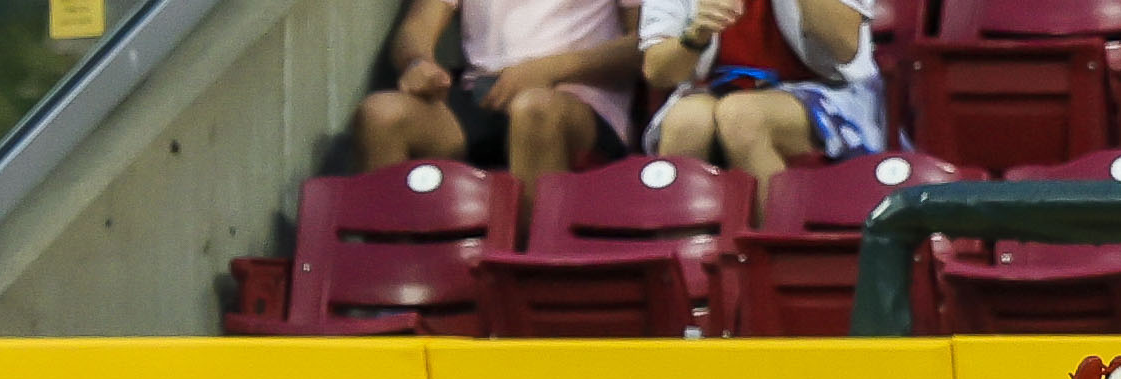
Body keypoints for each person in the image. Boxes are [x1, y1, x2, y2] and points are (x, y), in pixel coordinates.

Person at [353, 0, 641, 188]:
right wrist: (418, 63)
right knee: (381, 115)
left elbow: (644, 45)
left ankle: (529, 269)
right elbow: (417, 27)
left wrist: (549, 70)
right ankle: (394, 271)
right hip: (483, 96)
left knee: (533, 110)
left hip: (579, 102)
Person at [638, 0, 884, 207]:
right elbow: (659, 73)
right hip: (716, 88)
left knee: (741, 117)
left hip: (829, 90)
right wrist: (695, 36)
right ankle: (683, 258)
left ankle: (780, 252)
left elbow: (844, 46)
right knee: (685, 124)